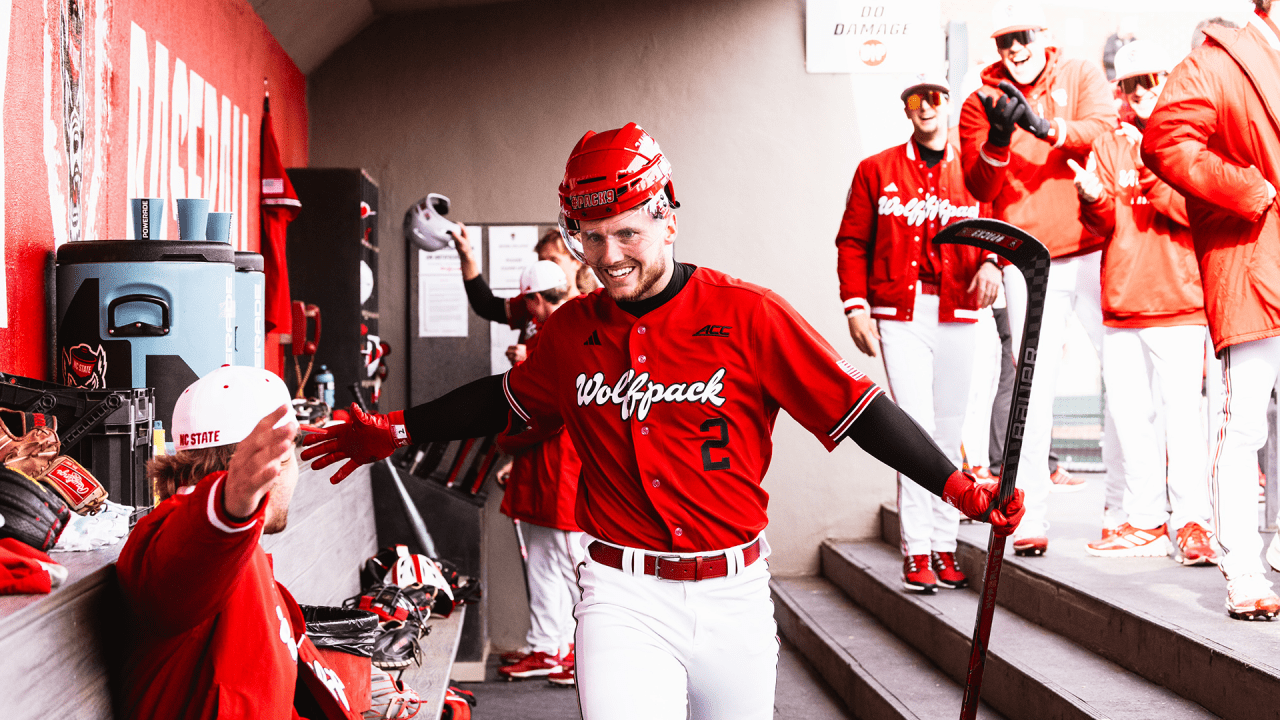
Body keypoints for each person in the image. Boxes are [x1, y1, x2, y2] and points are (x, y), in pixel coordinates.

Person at [300, 122, 1025, 719]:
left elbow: (859, 411)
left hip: (735, 594)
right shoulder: (570, 330)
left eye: (624, 234)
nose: (606, 256)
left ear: (667, 218)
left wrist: (955, 487)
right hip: (622, 595)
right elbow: (506, 397)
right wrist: (397, 428)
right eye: (589, 237)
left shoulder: (750, 314)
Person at [959, 0, 1119, 557]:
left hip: (1096, 247)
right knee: (1033, 386)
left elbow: (1102, 129)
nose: (1015, 50)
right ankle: (1027, 512)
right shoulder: (983, 98)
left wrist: (1049, 129)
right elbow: (973, 179)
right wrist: (1001, 140)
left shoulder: (1076, 72)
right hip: (1030, 260)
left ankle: (1131, 511)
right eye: (1005, 42)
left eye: (1022, 37)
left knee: (1124, 380)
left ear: (1042, 34)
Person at [116, 365, 366, 719]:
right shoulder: (187, 535)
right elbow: (182, 566)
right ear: (273, 464)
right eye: (290, 458)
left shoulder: (241, 553)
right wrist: (230, 507)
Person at [1141, 0, 1280, 620]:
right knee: (1244, 421)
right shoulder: (1216, 60)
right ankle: (1243, 569)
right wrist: (1246, 189)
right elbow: (1165, 142)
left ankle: (1271, 554)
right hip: (1251, 261)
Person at [836, 74, 1001, 593]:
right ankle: (918, 549)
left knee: (951, 429)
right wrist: (854, 307)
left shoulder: (975, 171)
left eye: (935, 96)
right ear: (905, 108)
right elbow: (852, 241)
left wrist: (994, 260)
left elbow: (997, 215)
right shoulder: (876, 168)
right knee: (915, 430)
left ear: (949, 104)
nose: (925, 105)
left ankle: (947, 544)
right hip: (899, 311)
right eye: (915, 97)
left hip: (959, 308)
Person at [1068, 41, 1217, 564]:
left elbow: (1188, 209)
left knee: (1184, 419)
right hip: (1122, 300)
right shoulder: (1110, 143)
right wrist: (1091, 198)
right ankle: (1148, 520)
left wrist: (1153, 154)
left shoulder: (1191, 137)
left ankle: (1194, 522)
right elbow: (1105, 225)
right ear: (1123, 91)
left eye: (1153, 80)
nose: (1145, 92)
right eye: (1134, 84)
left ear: (1170, 79)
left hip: (1179, 301)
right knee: (1132, 419)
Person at [495, 260, 586, 687]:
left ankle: (581, 653)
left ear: (534, 298)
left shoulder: (574, 323)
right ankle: (548, 646)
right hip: (539, 456)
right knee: (543, 563)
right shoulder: (548, 325)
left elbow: (563, 398)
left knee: (573, 563)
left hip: (564, 459)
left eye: (528, 301)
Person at [455, 225, 583, 343]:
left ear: (577, 262)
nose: (546, 266)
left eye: (554, 260)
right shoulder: (533, 301)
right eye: (542, 260)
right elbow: (486, 306)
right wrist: (466, 255)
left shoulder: (586, 309)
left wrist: (528, 358)